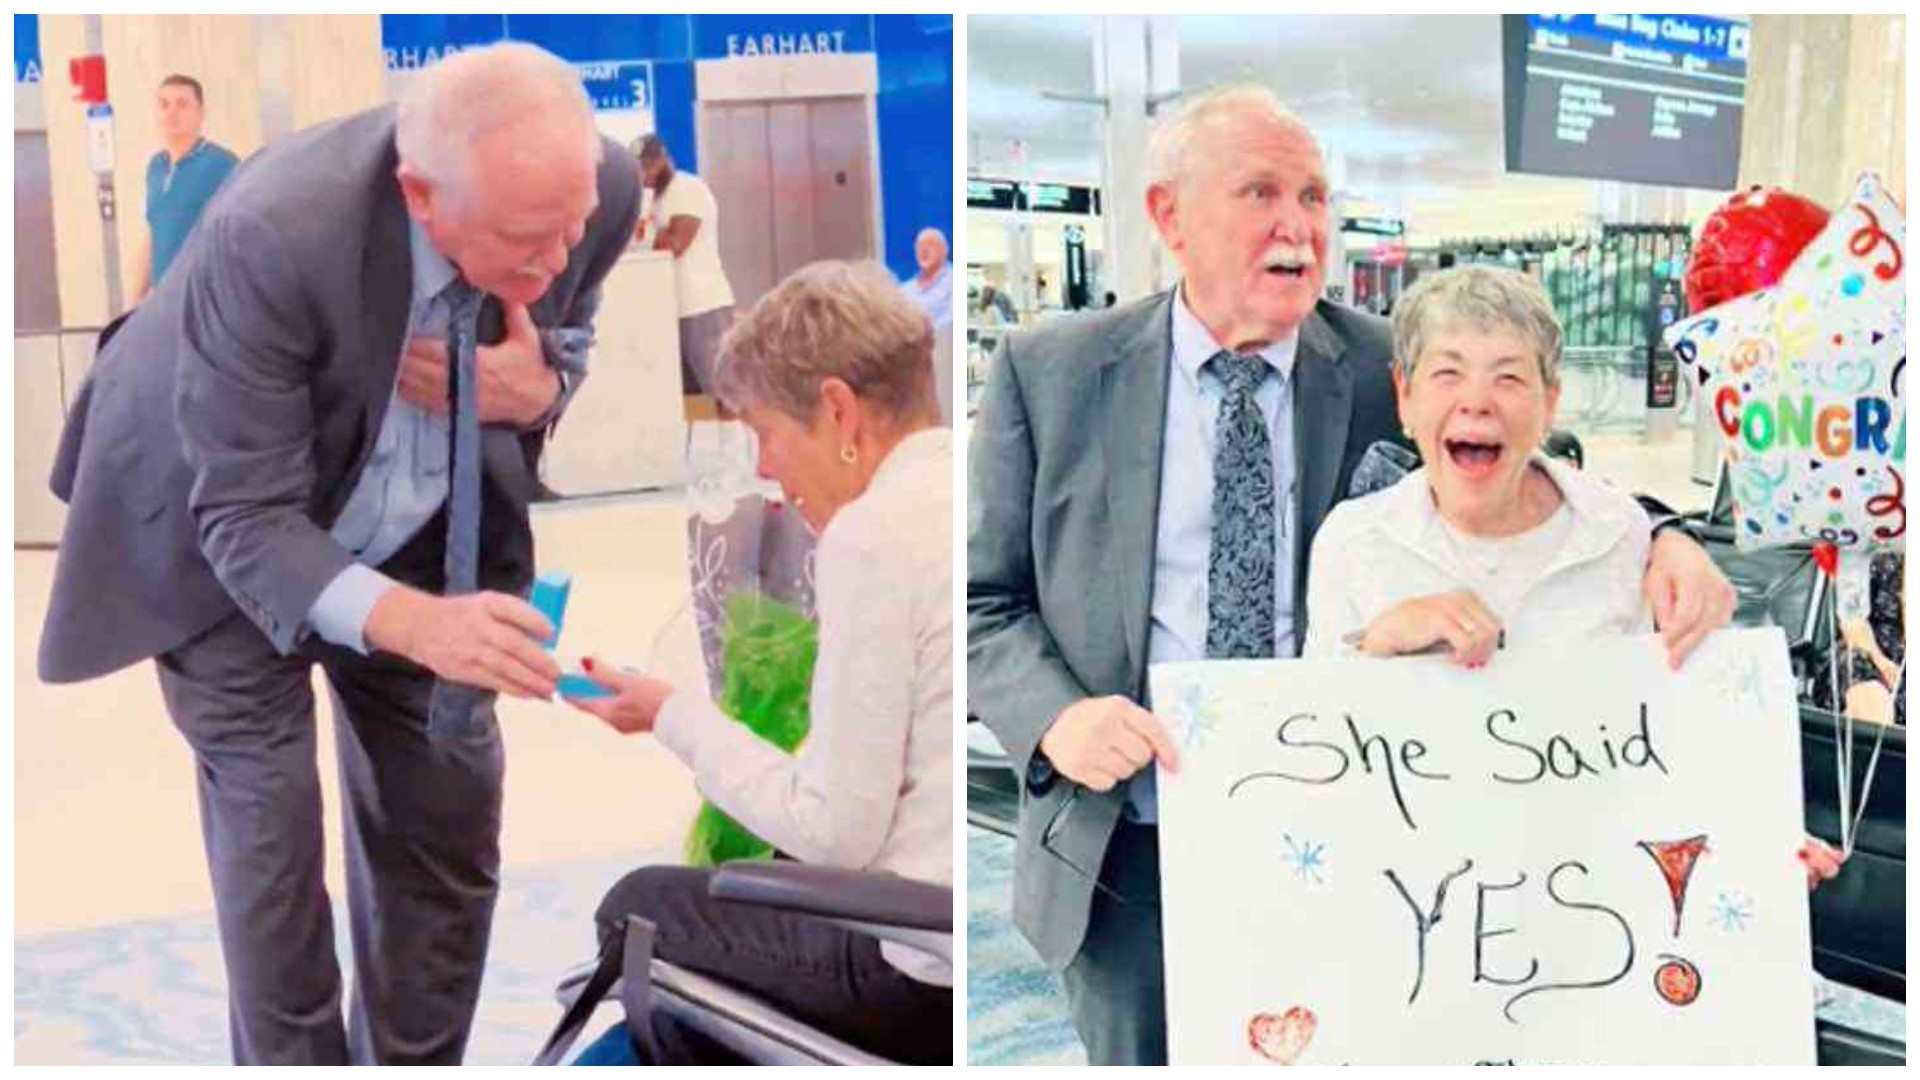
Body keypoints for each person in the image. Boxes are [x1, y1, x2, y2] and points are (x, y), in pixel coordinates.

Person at [966, 83, 1739, 1065]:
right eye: (1260, 194)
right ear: (1169, 216)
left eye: (1316, 197)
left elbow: (1544, 458)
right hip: (1131, 837)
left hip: (1353, 833)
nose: (1299, 227)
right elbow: (983, 601)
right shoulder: (1054, 373)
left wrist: (1669, 536)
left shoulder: (1394, 366)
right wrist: (1056, 717)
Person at [37, 44, 640, 1064]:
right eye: (521, 241)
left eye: (569, 230)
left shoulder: (594, 188)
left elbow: (554, 346)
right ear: (420, 194)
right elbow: (246, 519)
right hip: (213, 523)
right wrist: (421, 626)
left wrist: (540, 391)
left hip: (415, 525)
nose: (554, 260)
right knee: (273, 848)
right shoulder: (274, 230)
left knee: (445, 818)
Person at [1303, 263, 1845, 889]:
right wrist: (1377, 646)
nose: (1476, 400)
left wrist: (1752, 837)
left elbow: (1670, 739)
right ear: (1404, 397)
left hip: (1585, 907)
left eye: (1509, 377)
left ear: (1550, 402)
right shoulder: (1354, 541)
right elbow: (1319, 761)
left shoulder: (1620, 534)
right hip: (1415, 899)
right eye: (1447, 373)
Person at [564, 260, 952, 1064]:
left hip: (915, 971)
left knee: (634, 908)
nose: (766, 470)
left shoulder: (874, 536)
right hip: (948, 929)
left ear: (839, 411)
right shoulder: (961, 490)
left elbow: (834, 831)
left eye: (766, 435)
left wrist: (673, 717)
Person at [634, 133, 736, 396]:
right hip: (673, 309)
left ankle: (734, 438)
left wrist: (644, 235)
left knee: (722, 390)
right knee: (689, 396)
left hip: (702, 306)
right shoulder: (656, 199)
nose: (646, 174)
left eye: (649, 165)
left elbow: (676, 244)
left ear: (663, 159)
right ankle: (703, 439)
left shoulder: (688, 188)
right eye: (641, 168)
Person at [132, 74, 239, 302]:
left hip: (204, 300)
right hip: (164, 302)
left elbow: (238, 234)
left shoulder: (222, 164)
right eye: (164, 105)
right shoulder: (156, 167)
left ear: (200, 113)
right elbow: (154, 233)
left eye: (182, 105)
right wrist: (133, 303)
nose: (171, 113)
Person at [901, 226, 954, 329]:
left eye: (930, 245)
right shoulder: (905, 289)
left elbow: (950, 322)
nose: (923, 251)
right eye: (919, 246)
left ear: (945, 250)